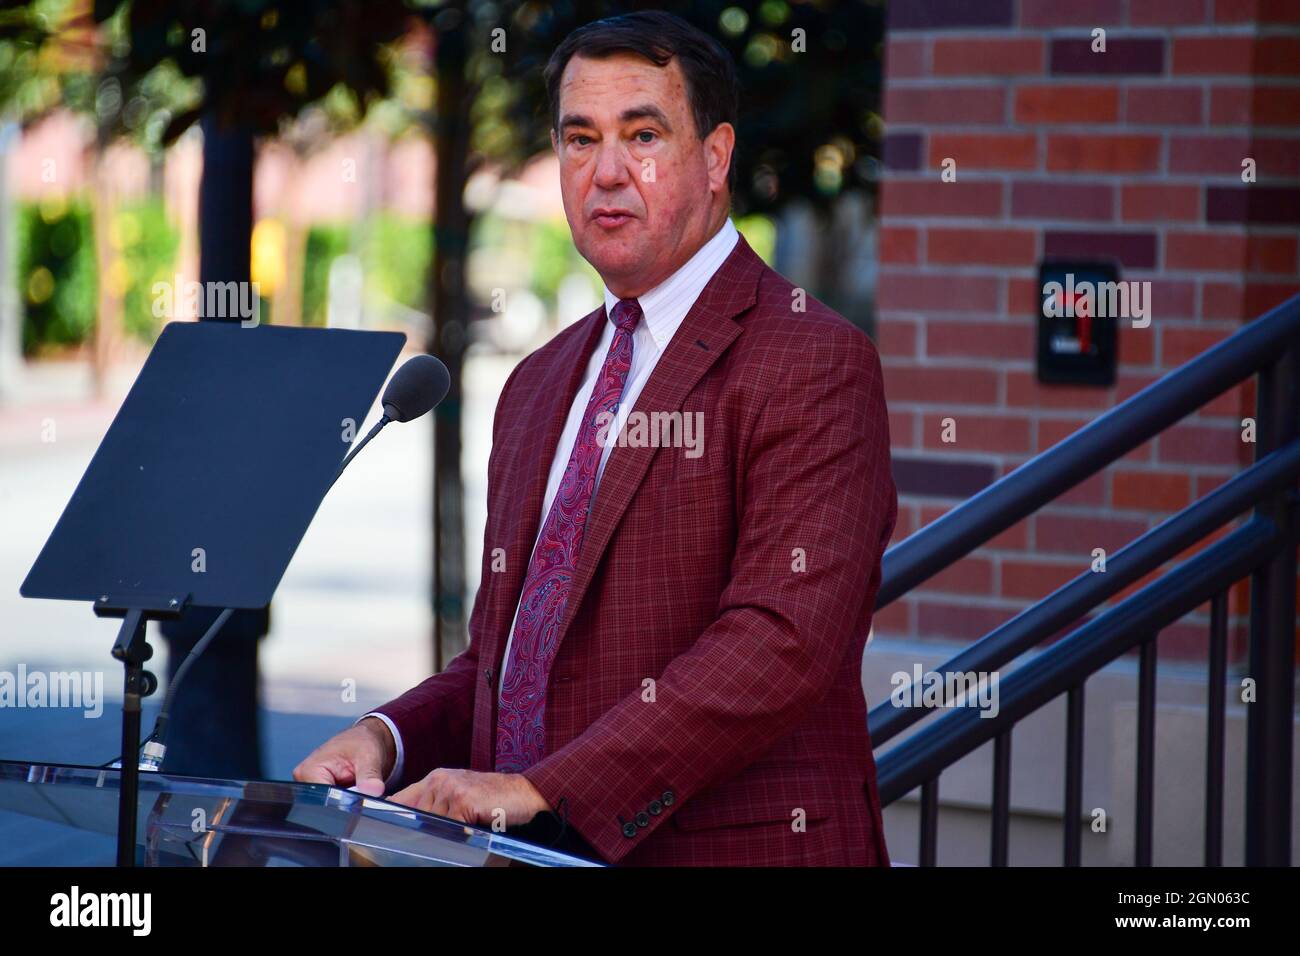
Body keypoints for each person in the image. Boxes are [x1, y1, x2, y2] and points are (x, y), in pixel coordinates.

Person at [295, 9, 896, 867]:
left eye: (643, 134)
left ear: (717, 157)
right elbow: (507, 663)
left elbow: (780, 642)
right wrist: (385, 738)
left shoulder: (813, 360)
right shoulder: (538, 385)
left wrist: (546, 789)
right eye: (580, 140)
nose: (607, 171)